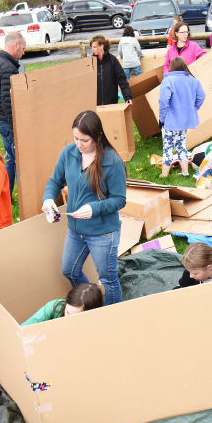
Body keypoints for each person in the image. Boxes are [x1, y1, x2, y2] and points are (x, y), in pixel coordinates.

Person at [42, 111, 127, 306]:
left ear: (97, 137)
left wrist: (94, 208)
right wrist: (48, 199)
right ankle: (92, 301)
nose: (79, 144)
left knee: (108, 279)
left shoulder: (112, 162)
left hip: (103, 232)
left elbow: (120, 200)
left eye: (84, 140)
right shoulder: (69, 153)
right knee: (69, 271)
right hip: (75, 229)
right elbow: (55, 181)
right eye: (75, 138)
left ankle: (112, 315)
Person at [0, 31, 26, 194]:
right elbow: (8, 100)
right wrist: (15, 124)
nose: (23, 52)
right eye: (23, 48)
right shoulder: (8, 68)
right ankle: (24, 198)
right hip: (7, 122)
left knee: (10, 157)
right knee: (18, 158)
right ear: (15, 45)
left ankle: (6, 193)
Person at [158, 58, 205, 177]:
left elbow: (163, 101)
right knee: (181, 145)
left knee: (168, 147)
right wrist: (193, 109)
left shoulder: (168, 80)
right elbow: (201, 96)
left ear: (172, 68)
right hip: (184, 120)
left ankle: (164, 175)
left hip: (170, 121)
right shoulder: (193, 80)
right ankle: (185, 172)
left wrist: (162, 118)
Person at [22, 283, 103, 325]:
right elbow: (24, 329)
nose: (67, 318)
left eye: (74, 317)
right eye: (67, 312)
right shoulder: (55, 307)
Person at [91, 35, 132, 106]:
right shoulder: (90, 62)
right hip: (95, 104)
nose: (92, 49)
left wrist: (127, 97)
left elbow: (122, 80)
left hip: (111, 103)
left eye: (94, 47)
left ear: (101, 46)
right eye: (91, 47)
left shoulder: (113, 61)